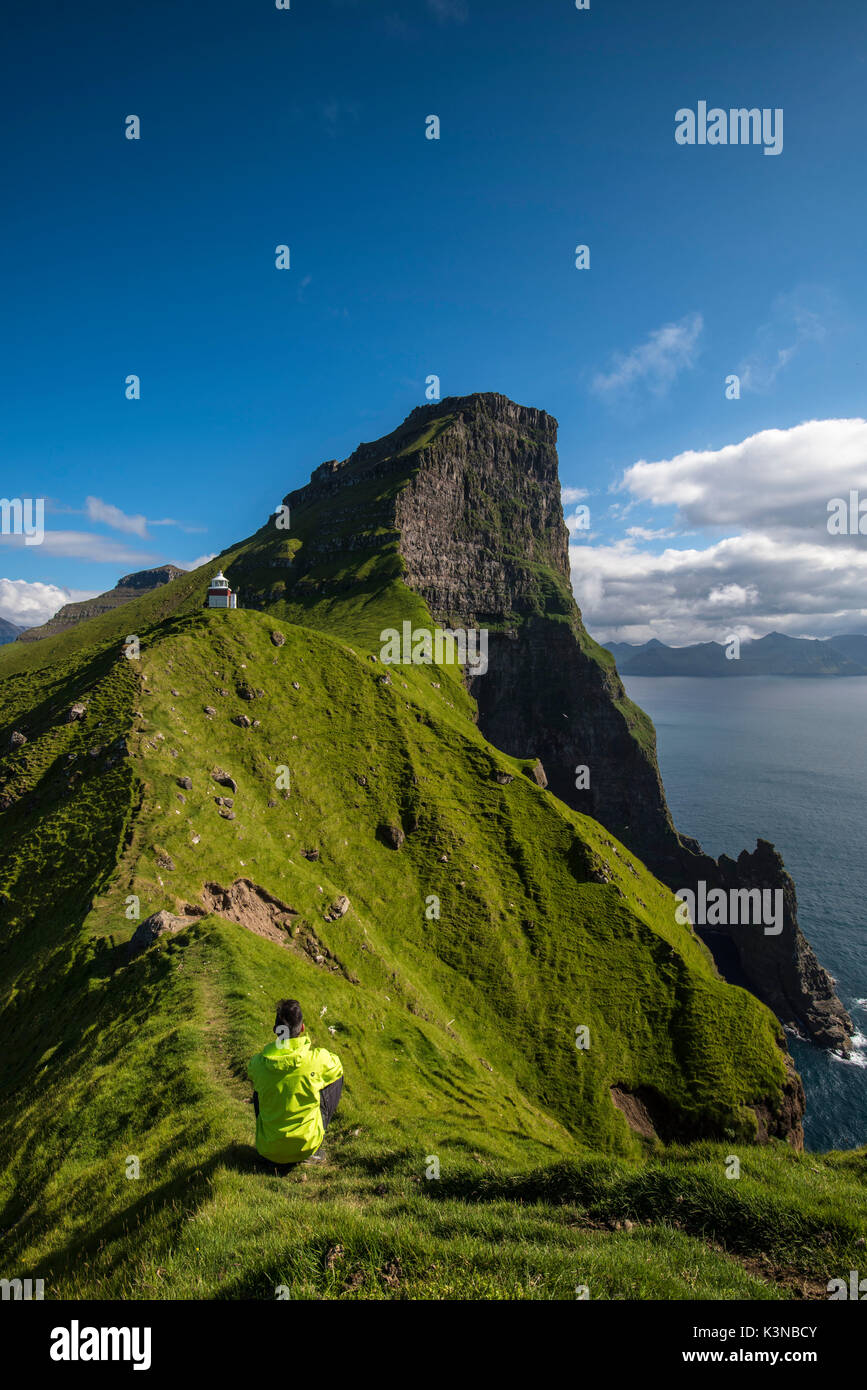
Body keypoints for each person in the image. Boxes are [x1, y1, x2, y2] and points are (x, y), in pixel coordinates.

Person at [247, 998, 344, 1167]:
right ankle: (313, 1145)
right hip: (306, 1147)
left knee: (259, 1088)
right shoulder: (317, 1060)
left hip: (268, 1150)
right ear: (302, 1028)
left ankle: (273, 1139)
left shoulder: (258, 1063)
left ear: (276, 1030)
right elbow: (337, 1066)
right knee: (334, 1077)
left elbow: (252, 1074)